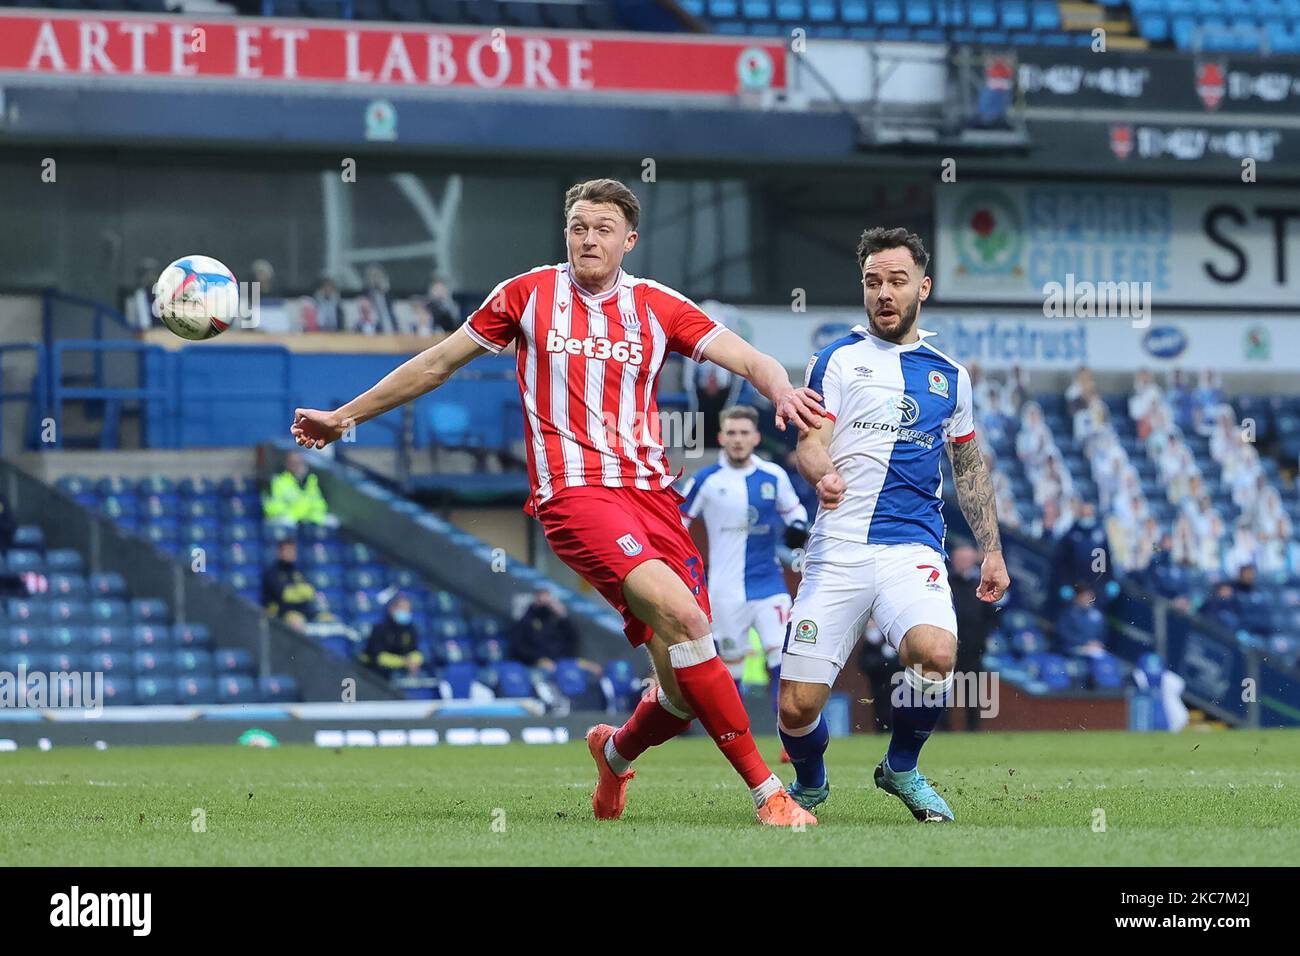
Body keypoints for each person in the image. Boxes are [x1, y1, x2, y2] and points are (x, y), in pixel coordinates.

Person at [289, 178, 825, 827]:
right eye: (578, 226)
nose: (588, 238)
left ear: (628, 239)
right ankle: (770, 793)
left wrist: (780, 389)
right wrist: (344, 418)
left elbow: (748, 357)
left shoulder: (656, 306)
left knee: (683, 692)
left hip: (653, 500)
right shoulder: (526, 295)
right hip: (574, 495)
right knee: (687, 618)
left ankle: (616, 753)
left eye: (602, 228)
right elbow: (435, 364)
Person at [774, 227, 1010, 823]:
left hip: (912, 547)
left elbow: (967, 467)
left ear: (922, 288)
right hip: (839, 546)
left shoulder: (950, 376)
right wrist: (822, 473)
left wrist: (993, 551)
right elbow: (810, 443)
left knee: (935, 652)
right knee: (798, 707)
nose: (883, 293)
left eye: (897, 281)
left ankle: (901, 766)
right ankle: (811, 782)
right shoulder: (835, 359)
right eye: (873, 281)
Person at [678, 405, 807, 703]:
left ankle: (789, 745)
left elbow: (795, 511)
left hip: (769, 583)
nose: (738, 439)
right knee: (731, 667)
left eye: (744, 433)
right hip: (725, 589)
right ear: (722, 437)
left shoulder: (773, 475)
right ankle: (736, 740)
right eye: (732, 433)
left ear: (756, 437)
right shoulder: (706, 480)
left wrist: (798, 527)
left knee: (784, 659)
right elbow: (678, 524)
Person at [948, 541, 998, 731]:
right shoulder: (946, 581)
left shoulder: (981, 584)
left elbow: (991, 616)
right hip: (949, 644)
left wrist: (982, 639)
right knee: (943, 688)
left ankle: (973, 728)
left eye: (966, 559)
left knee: (973, 690)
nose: (963, 563)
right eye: (960, 559)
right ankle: (943, 728)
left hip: (973, 646)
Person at [261, 537, 323, 631]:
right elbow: (285, 595)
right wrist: (301, 592)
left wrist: (296, 592)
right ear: (280, 552)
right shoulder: (272, 572)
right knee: (297, 622)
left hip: (304, 611)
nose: (291, 553)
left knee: (328, 618)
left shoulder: (298, 571)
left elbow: (310, 592)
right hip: (281, 614)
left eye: (293, 550)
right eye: (288, 550)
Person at [262, 452, 335, 528]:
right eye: (293, 463)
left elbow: (320, 505)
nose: (298, 466)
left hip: (306, 519)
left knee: (331, 521)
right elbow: (272, 508)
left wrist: (314, 515)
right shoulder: (278, 481)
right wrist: (295, 514)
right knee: (287, 522)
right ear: (287, 464)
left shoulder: (311, 480)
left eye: (300, 463)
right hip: (284, 520)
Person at [360, 592, 424, 678]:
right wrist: (404, 662)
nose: (405, 612)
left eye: (408, 609)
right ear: (391, 609)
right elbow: (378, 657)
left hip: (401, 668)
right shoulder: (380, 628)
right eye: (402, 608)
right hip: (376, 672)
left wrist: (412, 661)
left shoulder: (410, 629)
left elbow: (416, 652)